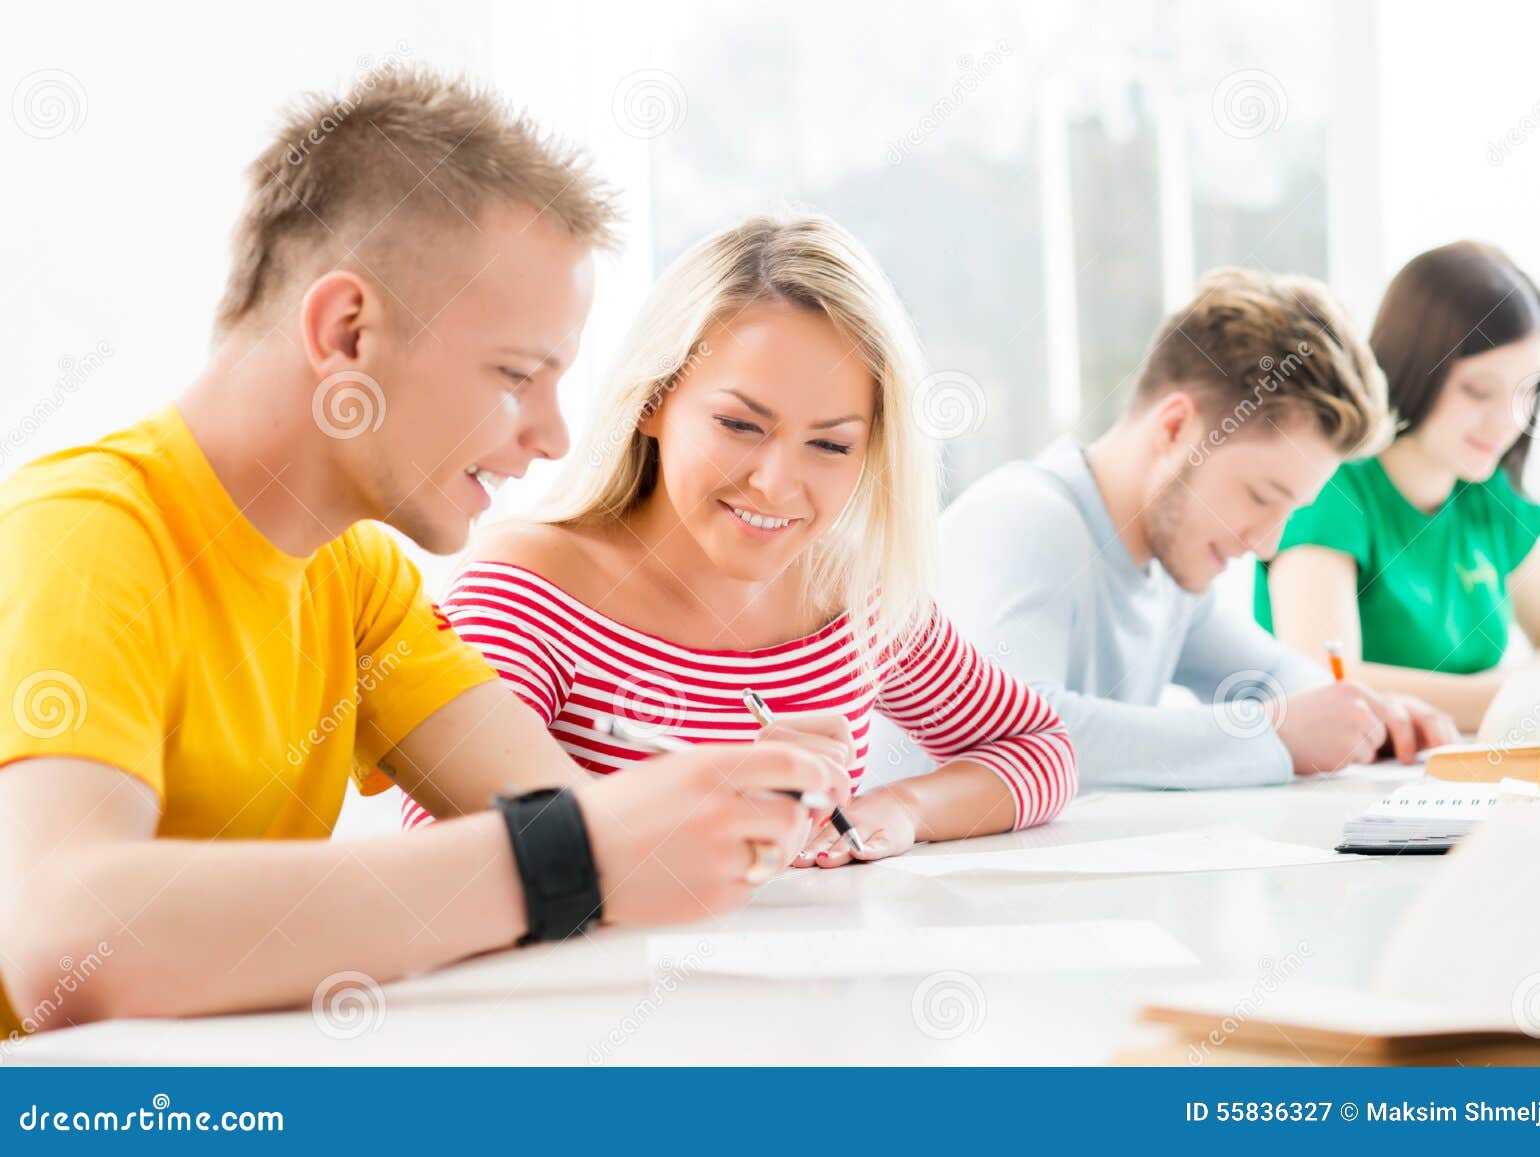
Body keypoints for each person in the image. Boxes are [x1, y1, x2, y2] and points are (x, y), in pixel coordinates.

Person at [0, 68, 849, 1041]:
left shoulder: (357, 581)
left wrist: (711, 806)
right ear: (347, 331)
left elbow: (571, 822)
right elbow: (64, 936)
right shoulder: (81, 532)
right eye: (518, 374)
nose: (553, 436)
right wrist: (576, 850)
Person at [398, 212, 1077, 864]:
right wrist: (701, 810)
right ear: (654, 400)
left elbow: (1040, 747)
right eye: (740, 425)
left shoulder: (853, 595)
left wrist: (902, 809)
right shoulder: (525, 591)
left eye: (831, 444)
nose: (778, 484)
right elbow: (442, 847)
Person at [877, 269, 1456, 792]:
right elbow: (1018, 733)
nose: (1266, 543)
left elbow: (1276, 678)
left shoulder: (1169, 570)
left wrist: (1373, 716)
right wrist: (1269, 734)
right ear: (1176, 427)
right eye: (1260, 497)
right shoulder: (1027, 520)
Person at [1257, 241, 1540, 731]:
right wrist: (1511, 694)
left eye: (1528, 392)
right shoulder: (1332, 487)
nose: (1507, 421)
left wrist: (1516, 693)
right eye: (1478, 391)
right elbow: (1326, 683)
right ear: (1414, 369)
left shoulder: (1484, 496)